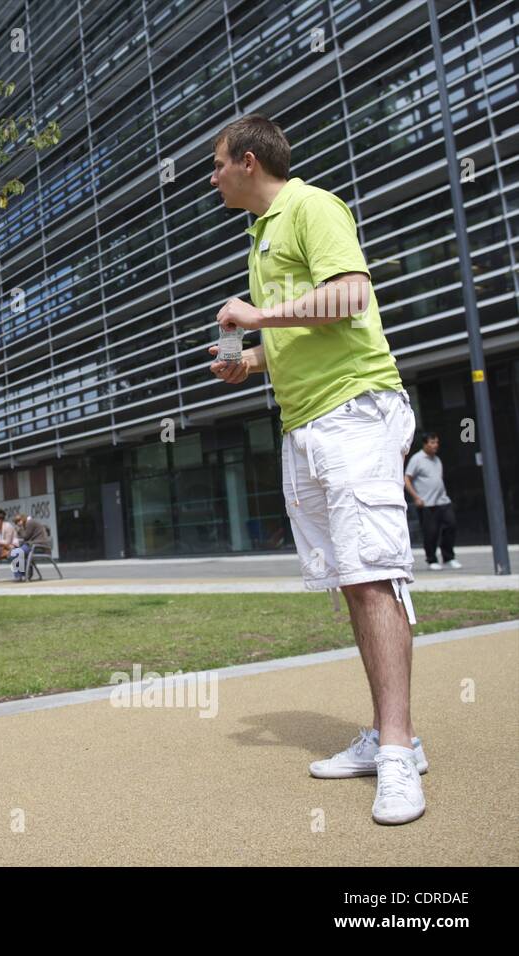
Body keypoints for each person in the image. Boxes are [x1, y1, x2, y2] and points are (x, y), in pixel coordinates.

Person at [208, 114, 427, 825]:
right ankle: (390, 738)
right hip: (307, 425)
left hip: (354, 411)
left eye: (216, 166)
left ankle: (397, 752)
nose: (210, 178)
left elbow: (351, 296)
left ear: (247, 162)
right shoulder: (260, 237)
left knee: (371, 575)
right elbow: (302, 323)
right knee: (352, 583)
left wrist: (256, 318)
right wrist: (250, 360)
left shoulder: (310, 205)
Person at [404, 432, 460, 570]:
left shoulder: (437, 459)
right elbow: (406, 479)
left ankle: (448, 557)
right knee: (431, 533)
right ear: (425, 444)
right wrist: (416, 497)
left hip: (443, 501)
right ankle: (432, 560)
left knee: (451, 525)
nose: (436, 445)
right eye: (432, 443)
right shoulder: (417, 459)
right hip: (426, 503)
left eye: (437, 442)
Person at [11, 513, 51, 582]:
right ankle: (23, 574)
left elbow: (26, 536)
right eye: (16, 522)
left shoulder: (30, 523)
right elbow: (25, 537)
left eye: (19, 521)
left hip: (38, 547)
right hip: (33, 546)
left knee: (17, 552)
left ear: (23, 518)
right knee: (16, 553)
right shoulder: (27, 524)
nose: (18, 523)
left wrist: (19, 530)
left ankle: (23, 575)